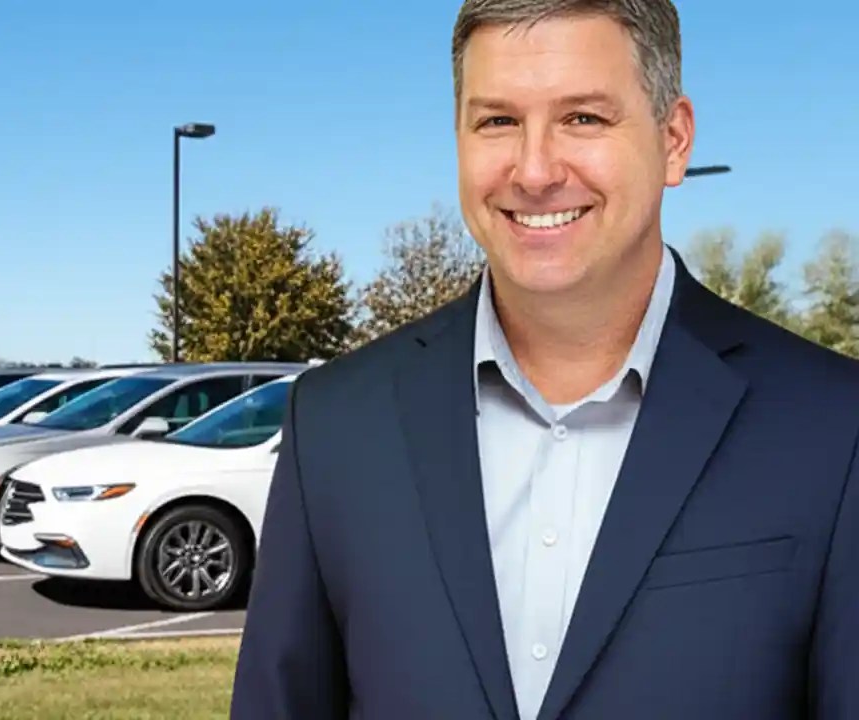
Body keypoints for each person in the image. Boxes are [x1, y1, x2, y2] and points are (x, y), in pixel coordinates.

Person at [229, 1, 857, 718]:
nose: (533, 170)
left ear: (674, 139)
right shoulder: (336, 425)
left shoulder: (833, 429)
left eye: (582, 118)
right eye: (498, 121)